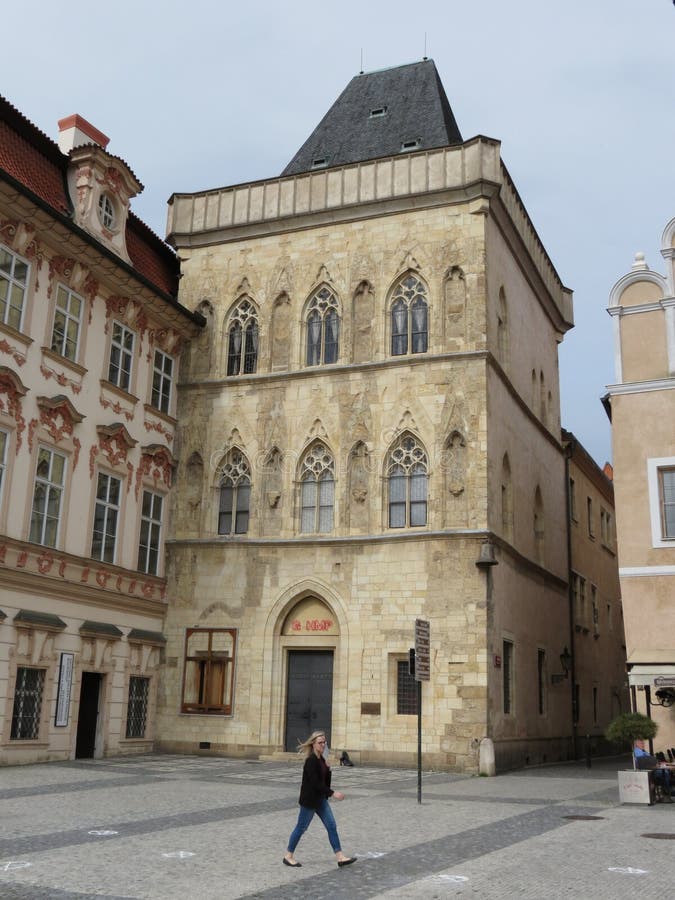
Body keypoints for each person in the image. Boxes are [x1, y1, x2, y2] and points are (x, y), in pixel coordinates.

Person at [283, 730, 357, 868]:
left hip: (321, 800)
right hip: (310, 801)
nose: (323, 745)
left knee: (331, 826)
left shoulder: (321, 760)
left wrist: (328, 770)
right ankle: (288, 856)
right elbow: (315, 783)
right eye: (320, 742)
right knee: (301, 827)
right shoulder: (311, 761)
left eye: (324, 742)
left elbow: (324, 782)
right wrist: (333, 793)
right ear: (313, 744)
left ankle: (340, 857)